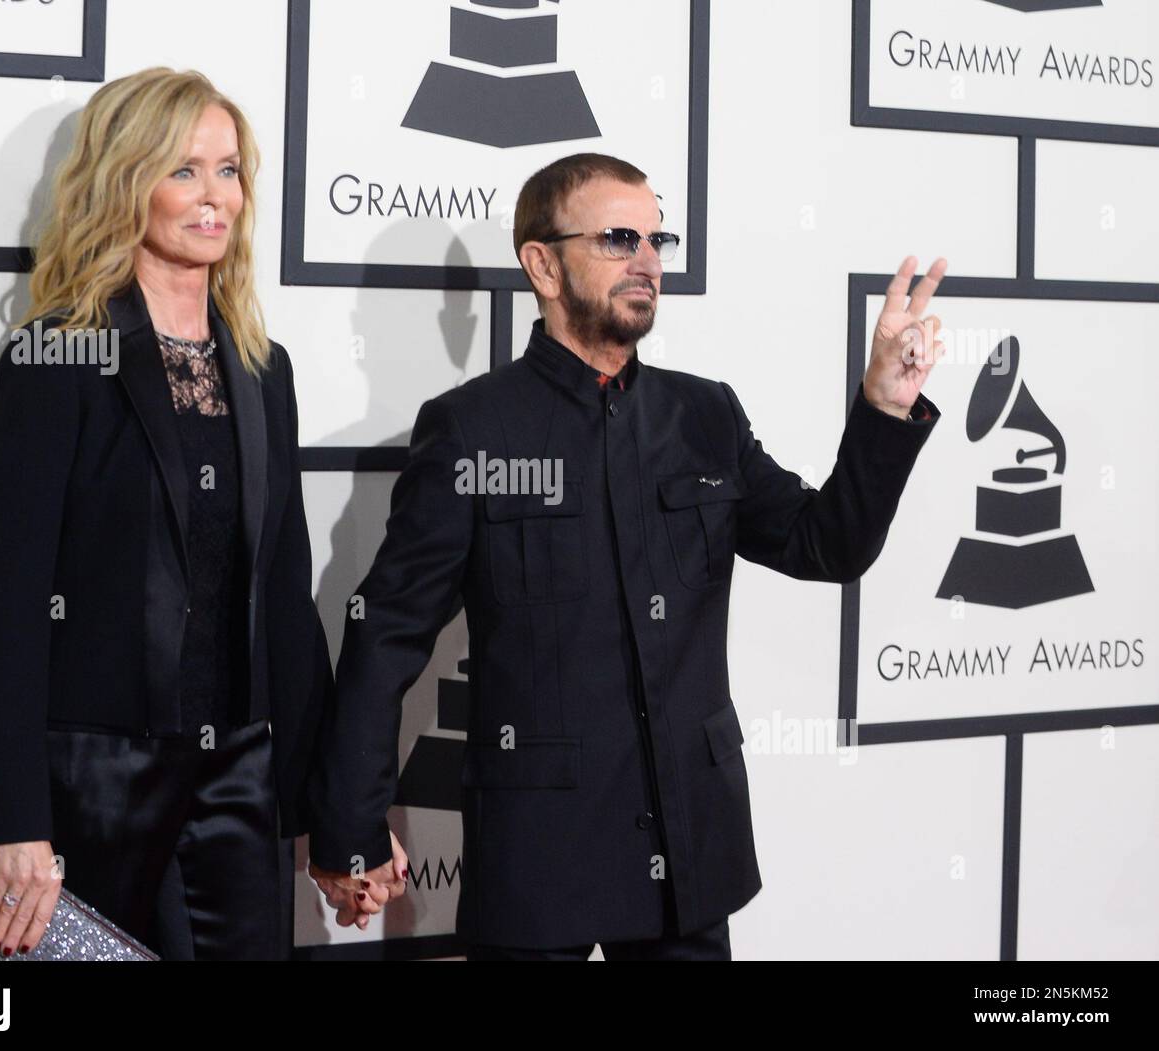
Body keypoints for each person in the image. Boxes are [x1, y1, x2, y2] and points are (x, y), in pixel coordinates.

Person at [305, 152, 945, 958]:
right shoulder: (472, 430)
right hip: (540, 862)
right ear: (541, 263)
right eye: (618, 238)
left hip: (690, 852)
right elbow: (386, 633)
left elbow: (827, 543)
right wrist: (349, 826)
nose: (647, 261)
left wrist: (886, 405)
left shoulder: (706, 414)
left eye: (656, 238)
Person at [0, 67, 400, 960]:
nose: (215, 198)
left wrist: (335, 816)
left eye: (229, 170)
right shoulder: (57, 356)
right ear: (127, 182)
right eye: (185, 170)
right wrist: (16, 817)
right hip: (95, 779)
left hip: (239, 775)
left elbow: (283, 602)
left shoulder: (260, 367)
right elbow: (6, 601)